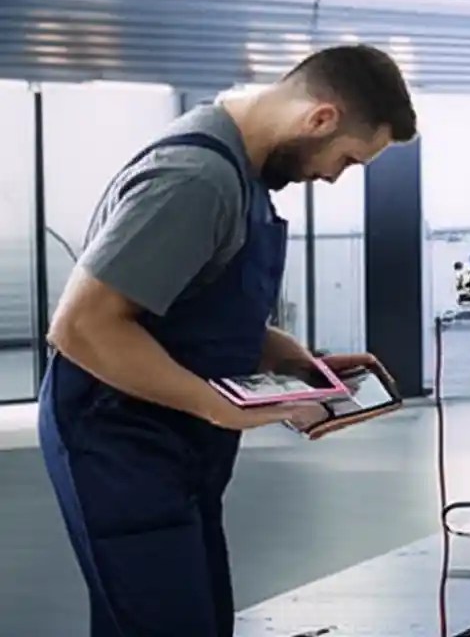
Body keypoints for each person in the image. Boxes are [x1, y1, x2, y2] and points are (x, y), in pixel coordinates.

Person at [37, 44, 418, 637]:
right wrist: (218, 405)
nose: (331, 177)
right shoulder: (199, 179)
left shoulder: (243, 172)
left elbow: (188, 310)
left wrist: (292, 361)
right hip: (116, 441)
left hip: (172, 443)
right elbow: (83, 326)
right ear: (320, 118)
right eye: (346, 160)